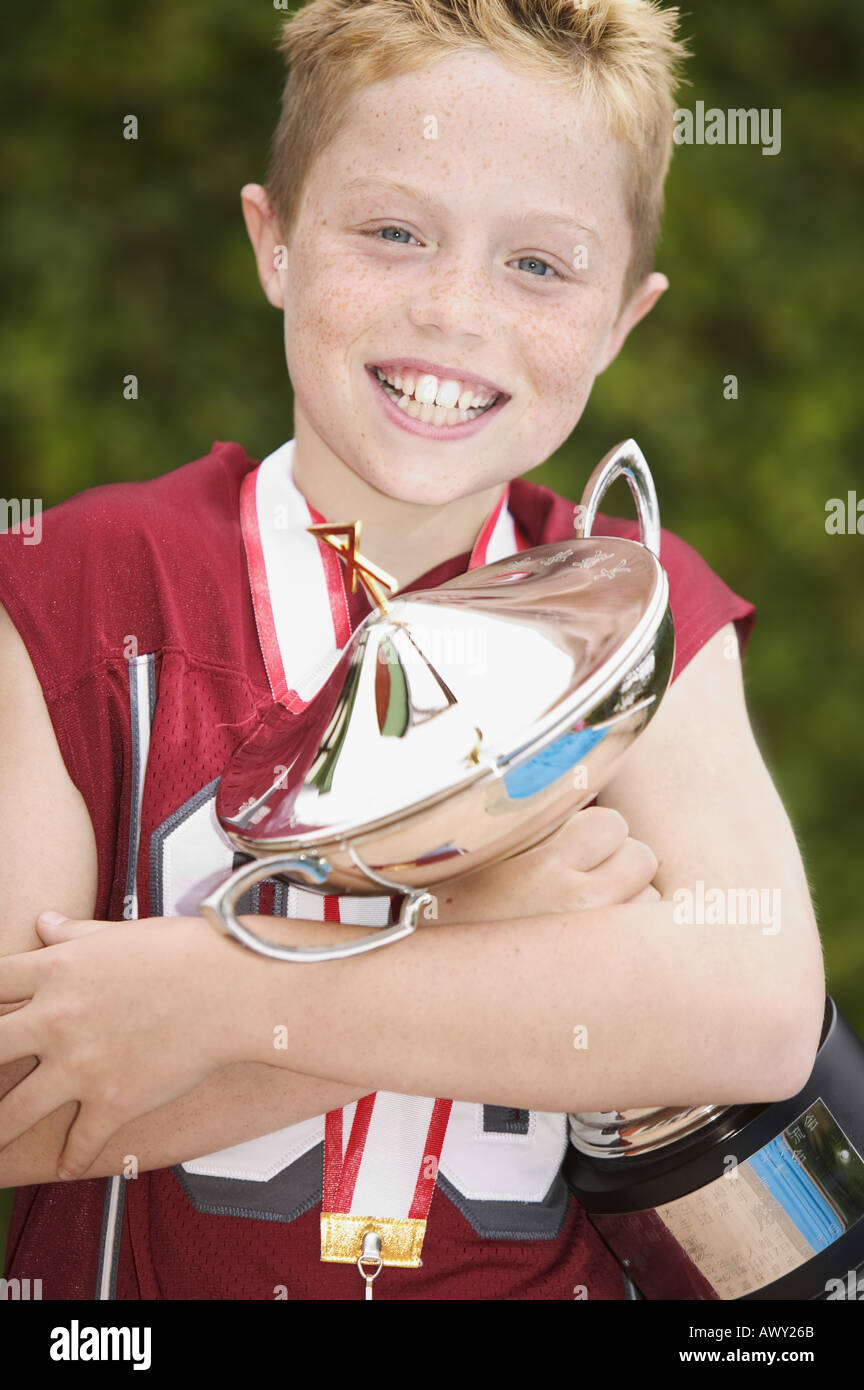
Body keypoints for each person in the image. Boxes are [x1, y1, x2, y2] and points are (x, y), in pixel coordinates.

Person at [0, 0, 825, 1300]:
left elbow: (757, 1007)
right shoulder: (84, 584)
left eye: (540, 266)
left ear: (623, 318)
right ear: (272, 242)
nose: (453, 309)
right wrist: (487, 922)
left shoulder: (635, 604)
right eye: (392, 233)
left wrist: (213, 995)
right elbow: (19, 1102)